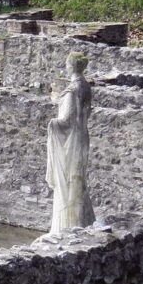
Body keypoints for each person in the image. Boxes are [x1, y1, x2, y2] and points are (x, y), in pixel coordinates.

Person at [46, 52, 95, 233]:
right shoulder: (86, 86)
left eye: (67, 64)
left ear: (71, 66)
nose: (65, 67)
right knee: (77, 182)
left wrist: (52, 124)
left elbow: (66, 120)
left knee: (67, 183)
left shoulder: (72, 90)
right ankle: (82, 222)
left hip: (71, 142)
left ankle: (68, 226)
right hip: (82, 137)